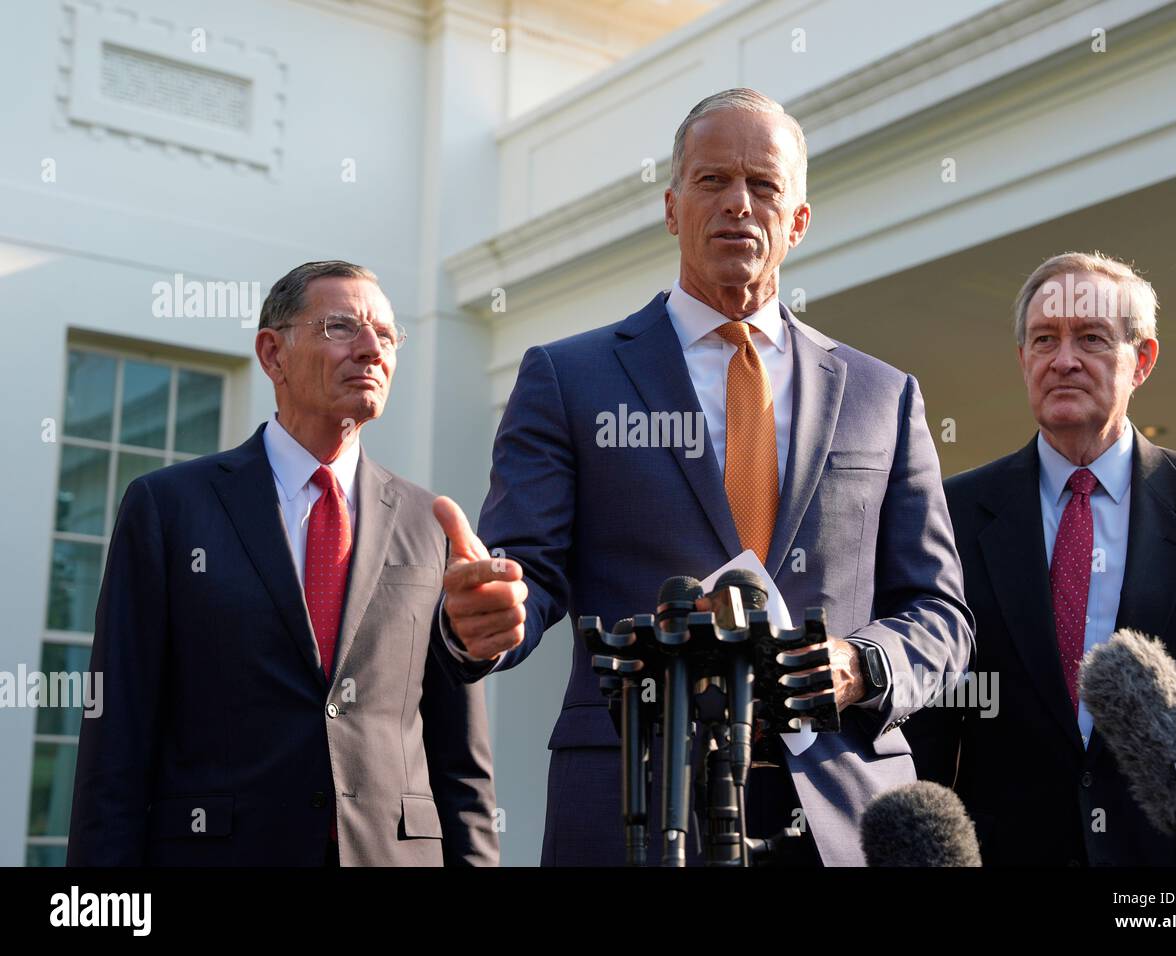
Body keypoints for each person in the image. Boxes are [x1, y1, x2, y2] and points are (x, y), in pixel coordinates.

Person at [433, 89, 973, 866]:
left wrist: (864, 665)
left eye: (764, 186)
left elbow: (939, 611)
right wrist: (486, 616)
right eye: (713, 181)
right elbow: (528, 575)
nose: (737, 205)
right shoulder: (568, 377)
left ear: (798, 221)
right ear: (672, 205)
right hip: (633, 805)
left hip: (841, 811)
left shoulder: (884, 395)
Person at [68, 260, 498, 866]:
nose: (372, 349)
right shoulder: (168, 508)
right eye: (342, 327)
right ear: (273, 354)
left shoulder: (433, 522)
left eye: (388, 334)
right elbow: (117, 735)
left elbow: (462, 758)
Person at [915, 251, 1176, 865]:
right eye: (1044, 340)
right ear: (1023, 360)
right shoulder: (951, 512)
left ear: (1141, 360)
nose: (1063, 360)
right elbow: (929, 727)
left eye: (1090, 338)